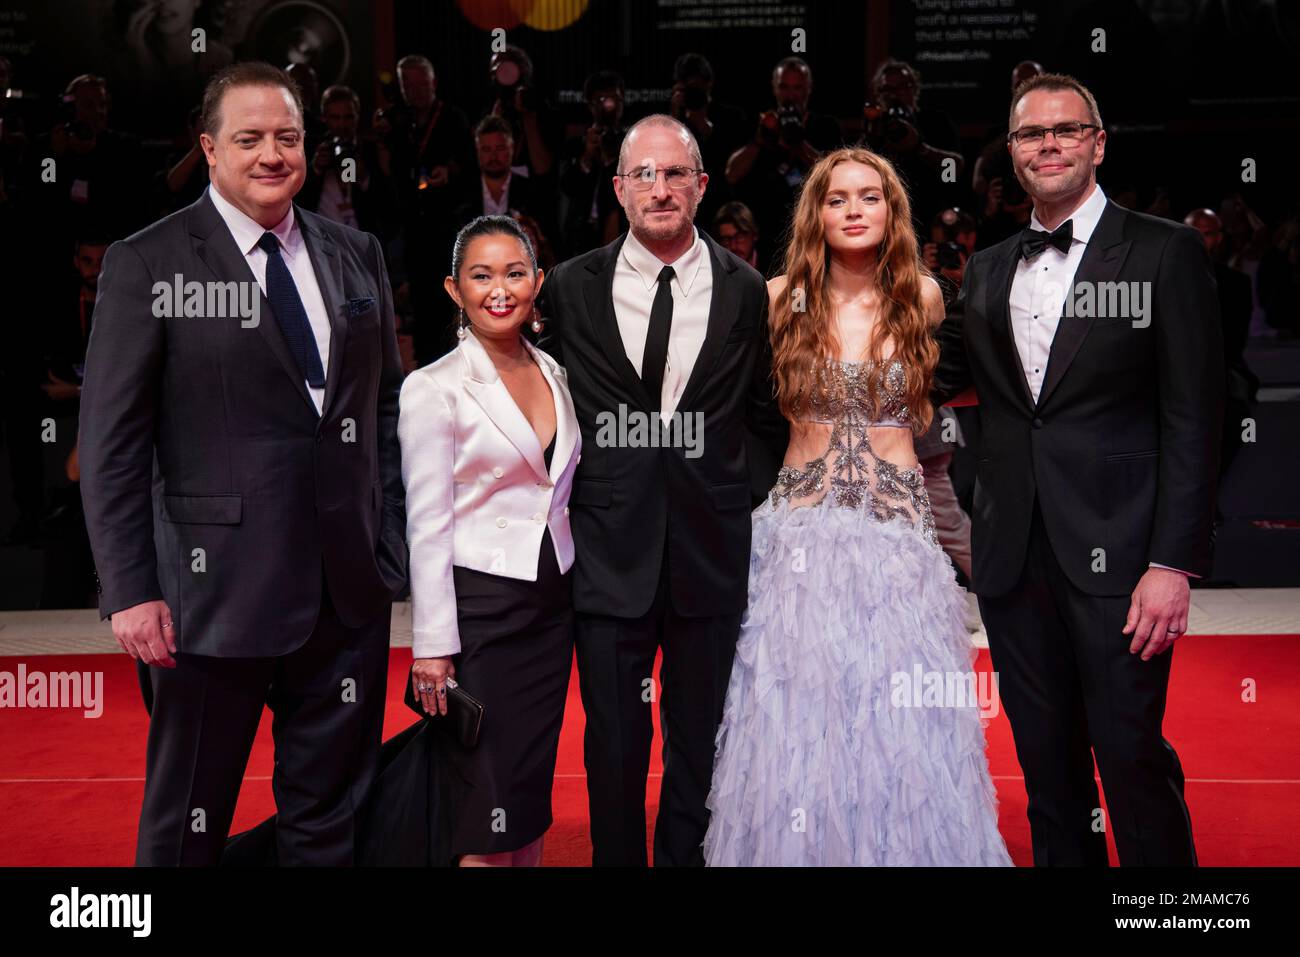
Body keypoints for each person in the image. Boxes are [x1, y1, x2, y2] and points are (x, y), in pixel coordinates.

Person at [78, 61, 408, 865]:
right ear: (209, 148)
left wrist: (387, 544)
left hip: (343, 594)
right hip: (206, 599)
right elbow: (113, 441)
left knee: (330, 815)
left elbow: (389, 412)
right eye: (249, 138)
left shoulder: (354, 252)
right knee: (189, 821)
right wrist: (130, 590)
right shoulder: (147, 262)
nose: (272, 154)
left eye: (287, 138)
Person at [932, 74, 1222, 866]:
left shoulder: (1165, 251)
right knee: (1048, 772)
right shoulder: (988, 268)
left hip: (1124, 560)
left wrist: (1173, 563)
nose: (1049, 144)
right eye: (1031, 134)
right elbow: (927, 375)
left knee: (1130, 757)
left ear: (1098, 142)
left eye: (1067, 129)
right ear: (1013, 154)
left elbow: (1196, 420)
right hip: (1014, 558)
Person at [702, 148, 1011, 866]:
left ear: (891, 210)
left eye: (869, 197)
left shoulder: (925, 299)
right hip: (796, 537)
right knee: (798, 710)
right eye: (837, 198)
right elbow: (737, 409)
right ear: (816, 212)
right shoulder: (776, 296)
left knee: (898, 719)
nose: (853, 210)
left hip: (895, 539)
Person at [537, 114, 788, 866]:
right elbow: (538, 403)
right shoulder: (570, 286)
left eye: (675, 173)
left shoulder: (748, 290)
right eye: (643, 174)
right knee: (614, 741)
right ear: (617, 188)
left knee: (702, 738)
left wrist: (738, 497)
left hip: (711, 551)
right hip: (609, 551)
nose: (659, 188)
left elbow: (766, 414)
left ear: (703, 185)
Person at [399, 215, 578, 866]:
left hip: (551, 607)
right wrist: (433, 648)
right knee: (482, 805)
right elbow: (426, 523)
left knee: (526, 794)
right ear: (454, 289)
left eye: (513, 272)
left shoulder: (558, 372)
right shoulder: (432, 387)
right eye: (480, 275)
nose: (498, 289)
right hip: (480, 615)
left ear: (538, 281)